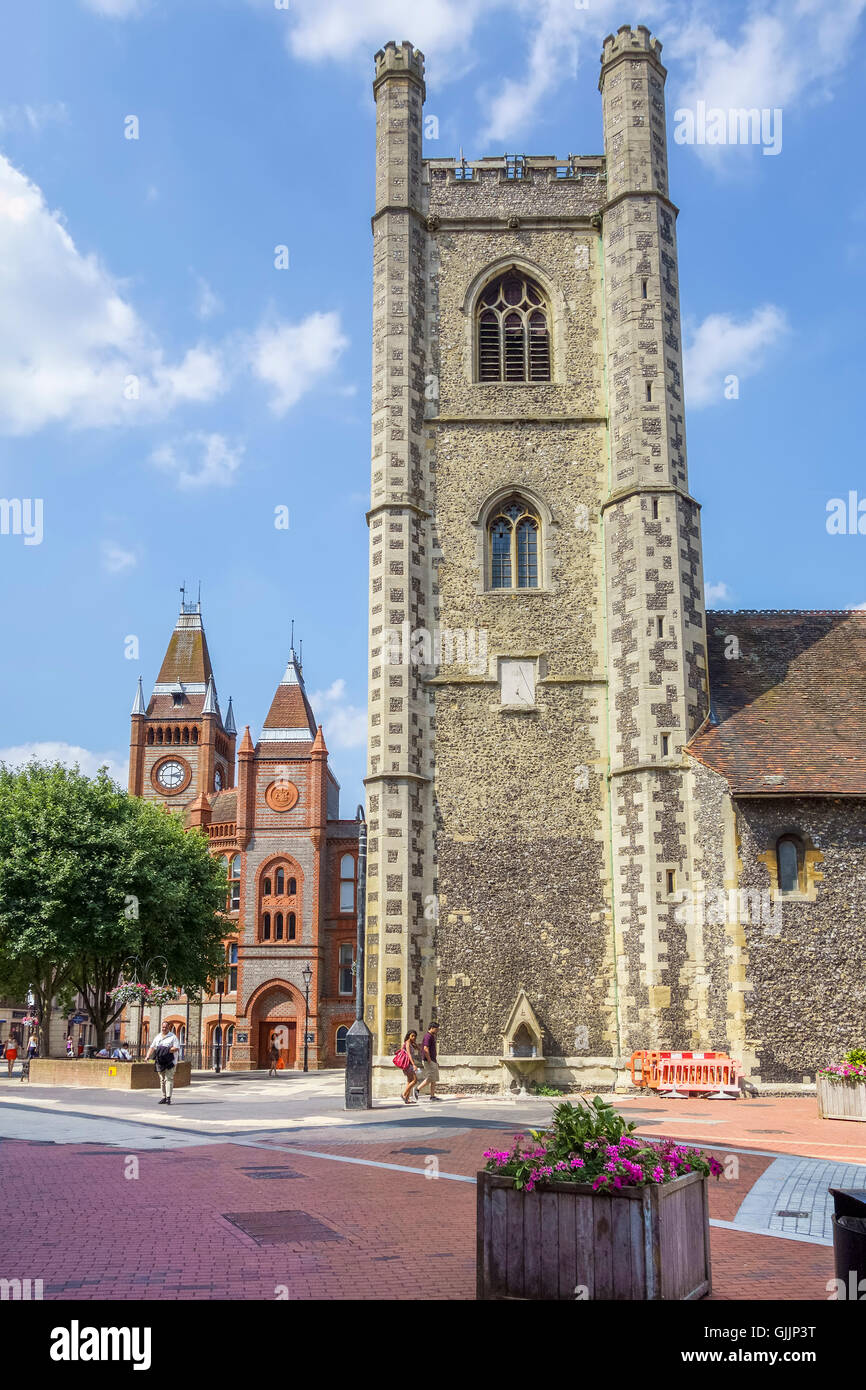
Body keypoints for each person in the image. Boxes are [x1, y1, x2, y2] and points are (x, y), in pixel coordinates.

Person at [146, 1023, 180, 1104]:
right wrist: (147, 1056)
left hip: (170, 1062)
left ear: (169, 1028)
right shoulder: (158, 1037)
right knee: (162, 1080)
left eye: (166, 1027)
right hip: (160, 1062)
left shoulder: (173, 1037)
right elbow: (152, 1047)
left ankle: (168, 1097)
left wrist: (164, 1050)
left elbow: (176, 1048)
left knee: (169, 1079)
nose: (164, 1029)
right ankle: (164, 1097)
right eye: (163, 1027)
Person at [416, 1021, 442, 1102]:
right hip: (429, 1061)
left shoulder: (431, 1036)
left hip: (433, 1060)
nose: (437, 1031)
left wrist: (434, 1061)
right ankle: (417, 1089)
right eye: (436, 1029)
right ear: (432, 1028)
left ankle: (432, 1096)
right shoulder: (428, 1036)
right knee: (430, 1077)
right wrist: (430, 1060)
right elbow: (425, 1048)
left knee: (434, 1078)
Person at [398, 1029, 421, 1104]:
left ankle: (407, 1099)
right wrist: (414, 1064)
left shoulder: (411, 1043)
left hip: (409, 1064)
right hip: (408, 1064)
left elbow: (419, 1049)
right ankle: (404, 1094)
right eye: (412, 1036)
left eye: (415, 1036)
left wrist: (414, 1043)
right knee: (415, 1080)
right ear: (409, 1036)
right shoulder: (407, 1043)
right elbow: (409, 1054)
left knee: (409, 1081)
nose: (414, 1037)